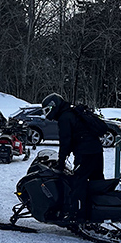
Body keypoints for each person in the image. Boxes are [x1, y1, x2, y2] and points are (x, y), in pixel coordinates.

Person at [41, 93, 104, 222]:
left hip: (85, 153)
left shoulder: (65, 117)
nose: (47, 114)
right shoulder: (74, 113)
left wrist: (61, 161)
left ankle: (78, 215)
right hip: (96, 150)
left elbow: (65, 142)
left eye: (47, 110)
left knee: (78, 182)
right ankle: (98, 210)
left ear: (54, 106)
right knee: (96, 181)